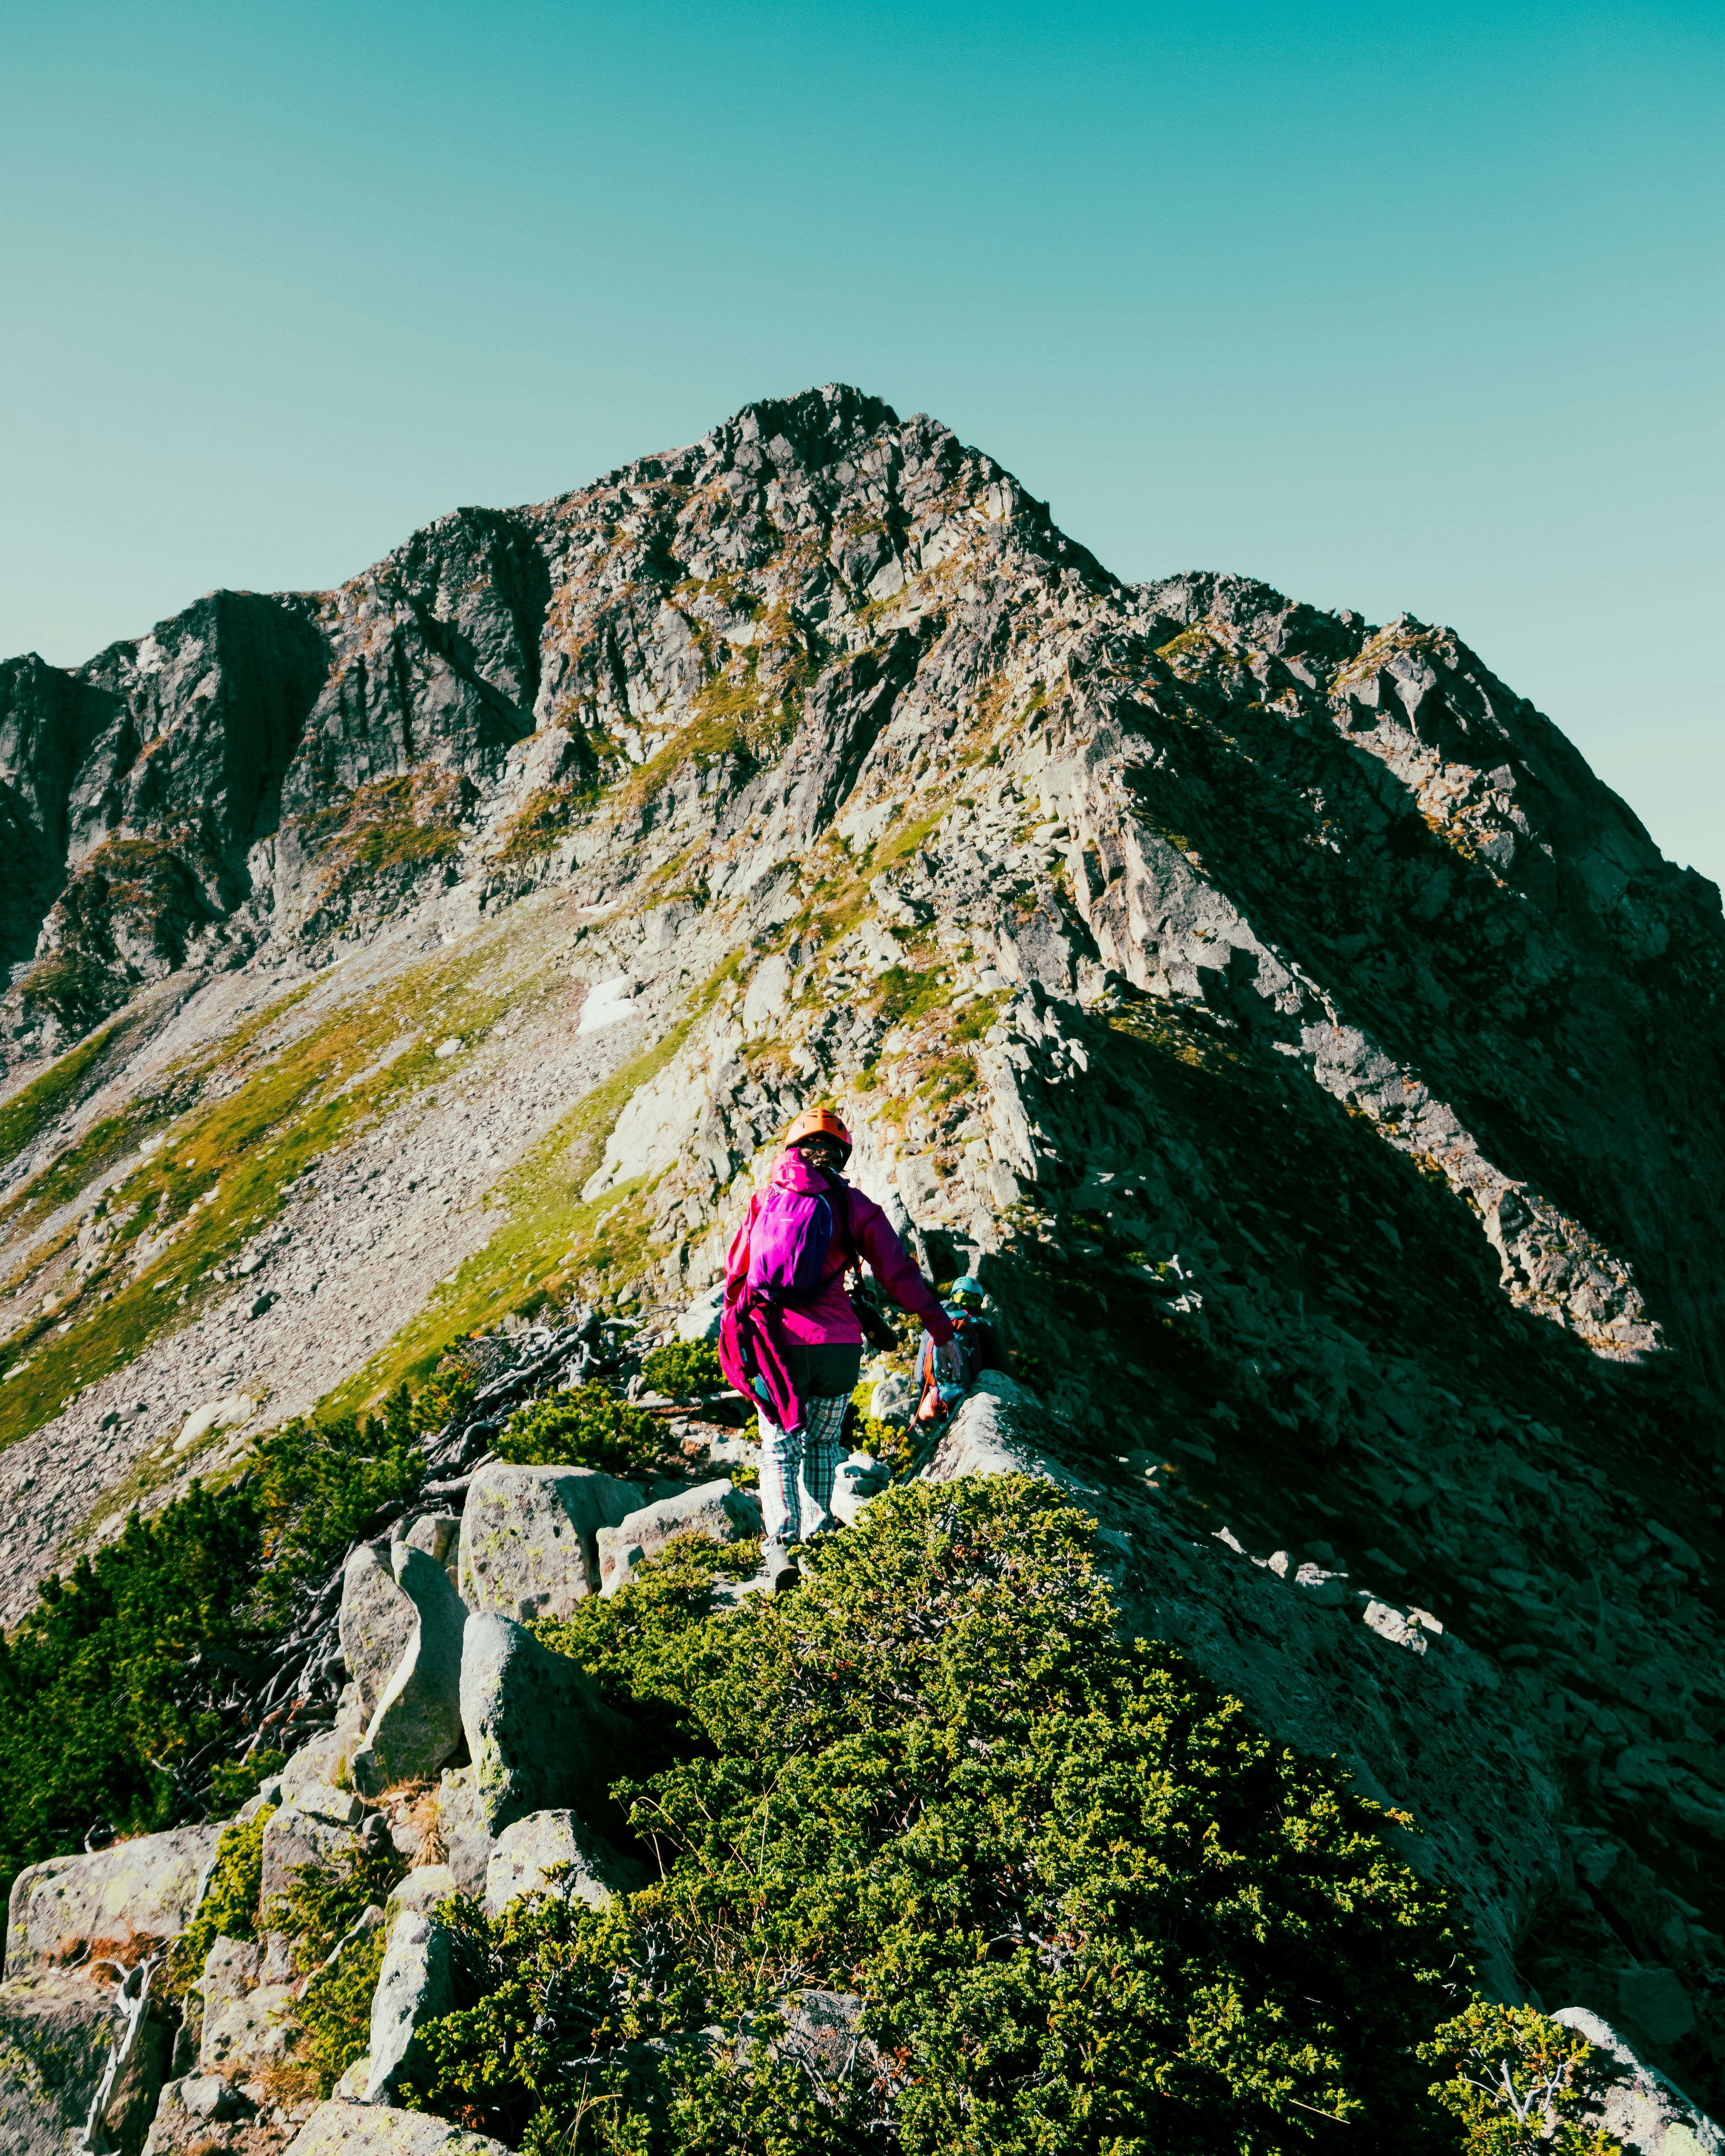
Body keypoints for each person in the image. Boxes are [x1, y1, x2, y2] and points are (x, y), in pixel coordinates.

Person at [722, 1108, 957, 1586]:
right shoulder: (853, 1204)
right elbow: (897, 1273)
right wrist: (940, 1329)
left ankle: (782, 1545)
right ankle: (819, 1532)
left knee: (779, 1447)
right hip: (838, 1347)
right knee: (824, 1443)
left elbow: (737, 1273)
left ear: (793, 1149)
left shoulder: (765, 1199)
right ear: (840, 1154)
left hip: (777, 1347)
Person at [913, 1274, 1009, 1427]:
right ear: (978, 1301)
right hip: (977, 1394)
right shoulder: (987, 1326)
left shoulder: (934, 1325)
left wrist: (931, 1391)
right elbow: (1003, 1368)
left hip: (941, 1398)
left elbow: (920, 1375)